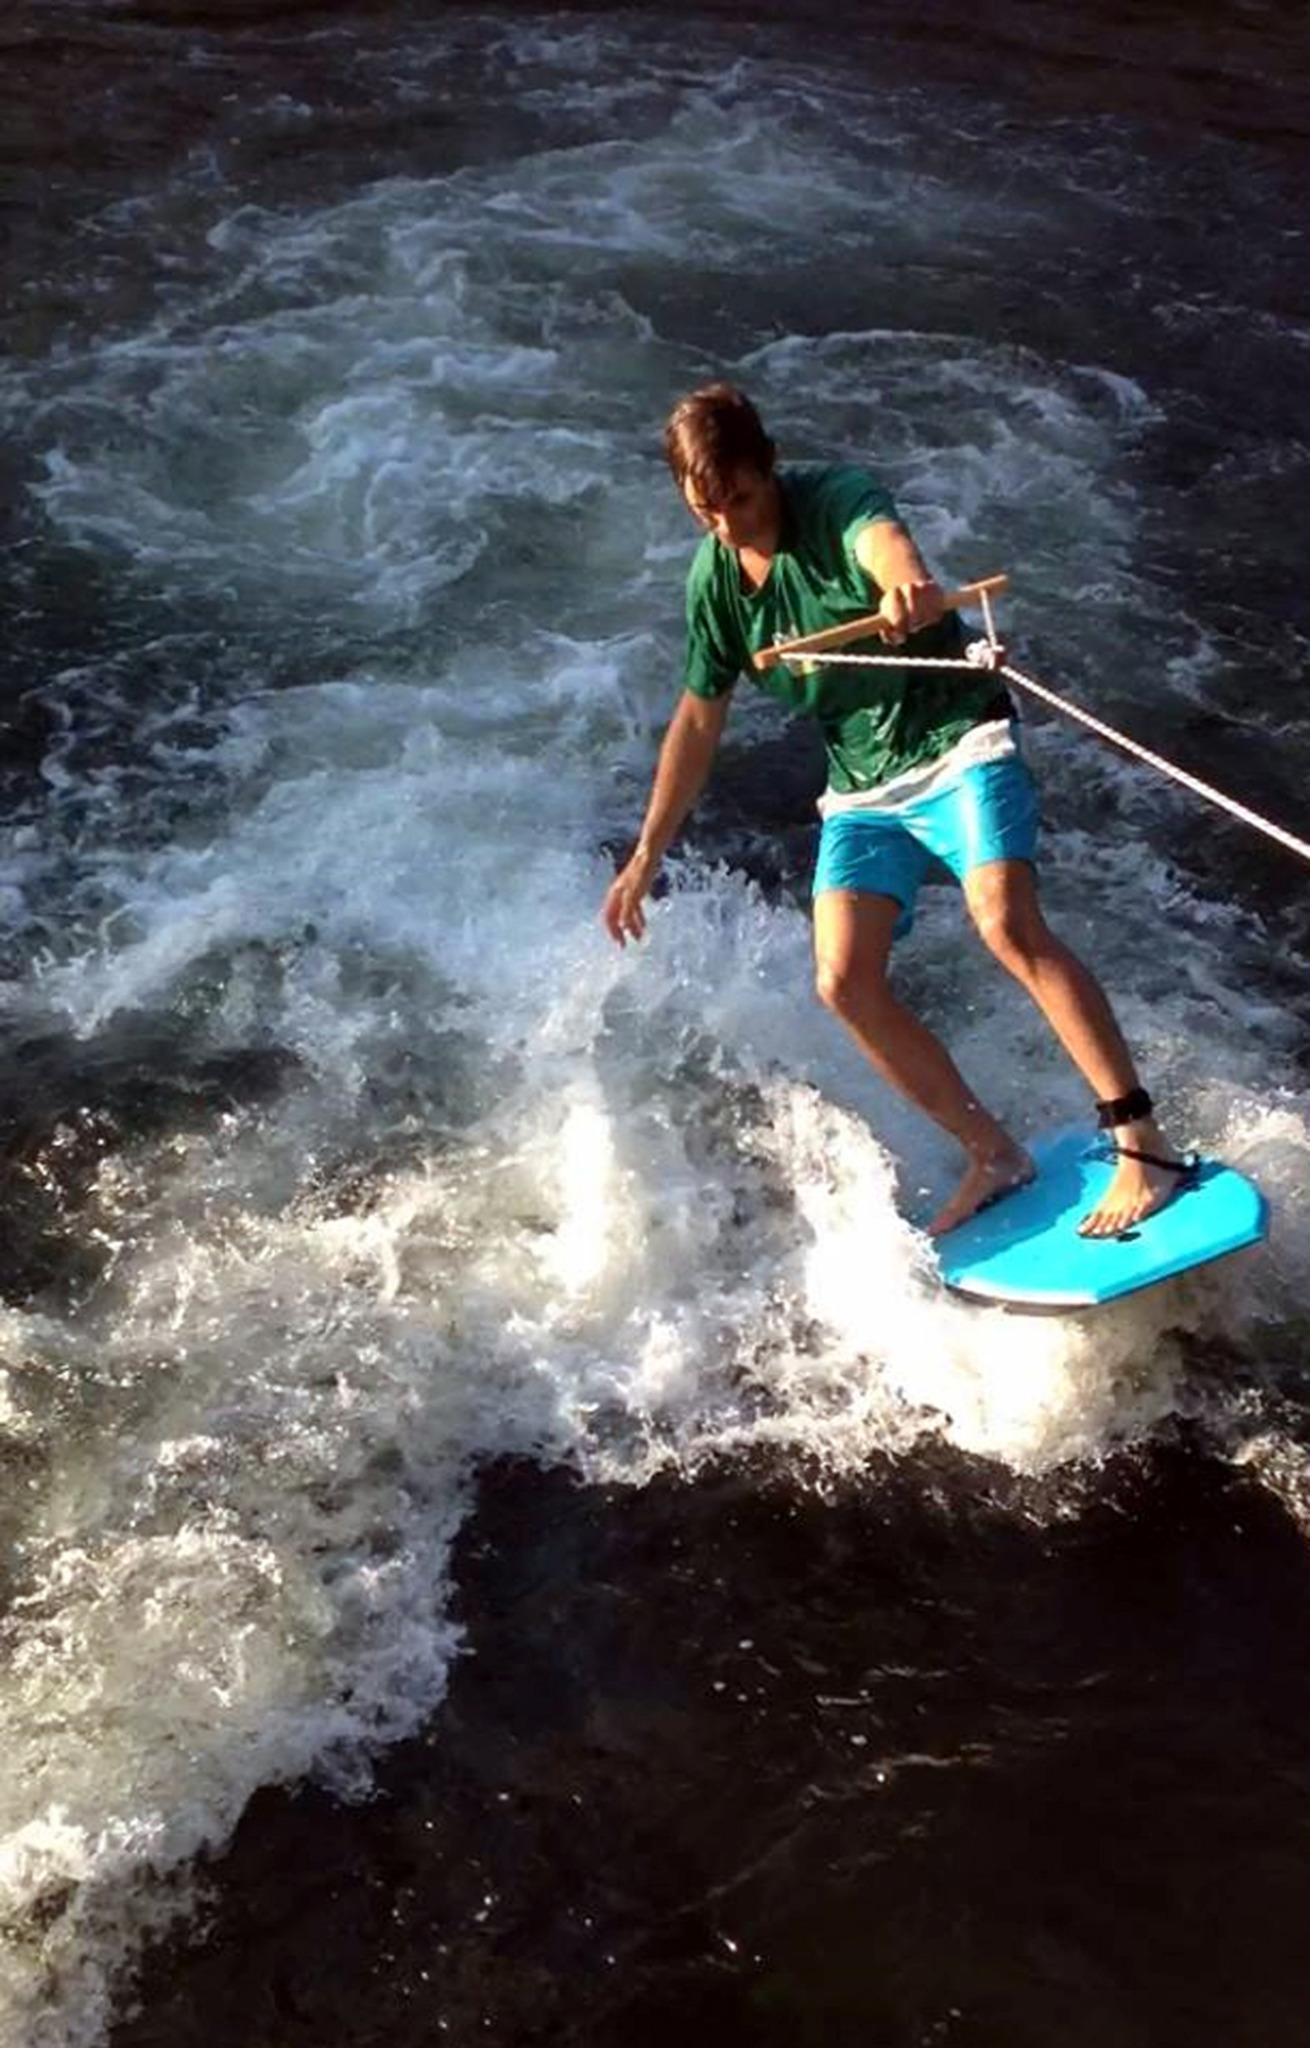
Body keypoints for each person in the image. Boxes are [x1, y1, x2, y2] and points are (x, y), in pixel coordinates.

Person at [601, 382, 1189, 1238]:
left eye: (741, 500)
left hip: (957, 740)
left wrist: (906, 588)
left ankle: (1142, 1142)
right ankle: (994, 1154)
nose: (726, 525)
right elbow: (698, 720)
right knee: (843, 980)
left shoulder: (836, 499)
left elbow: (886, 547)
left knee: (1005, 922)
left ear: (771, 469)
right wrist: (646, 853)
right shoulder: (715, 583)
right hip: (863, 783)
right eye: (704, 510)